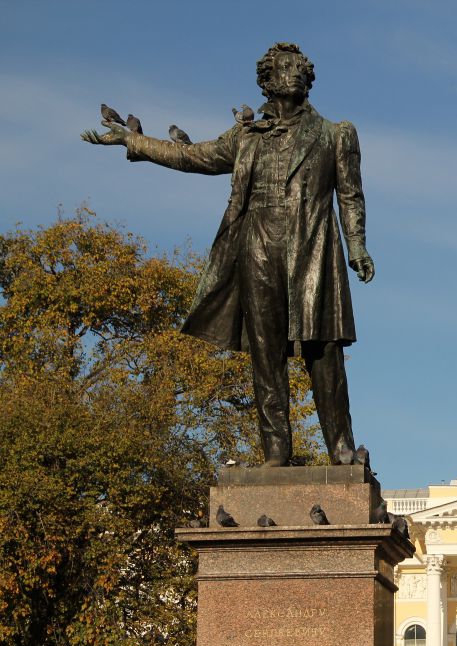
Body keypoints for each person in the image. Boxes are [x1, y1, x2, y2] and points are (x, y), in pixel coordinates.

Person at [81, 43, 372, 467]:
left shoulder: (335, 133)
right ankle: (276, 451)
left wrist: (357, 243)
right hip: (256, 249)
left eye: (298, 66)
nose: (292, 71)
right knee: (264, 352)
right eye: (282, 67)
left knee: (323, 351)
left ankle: (341, 447)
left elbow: (350, 194)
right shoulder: (244, 137)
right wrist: (135, 141)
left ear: (308, 79)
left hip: (313, 248)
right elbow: (191, 155)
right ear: (267, 80)